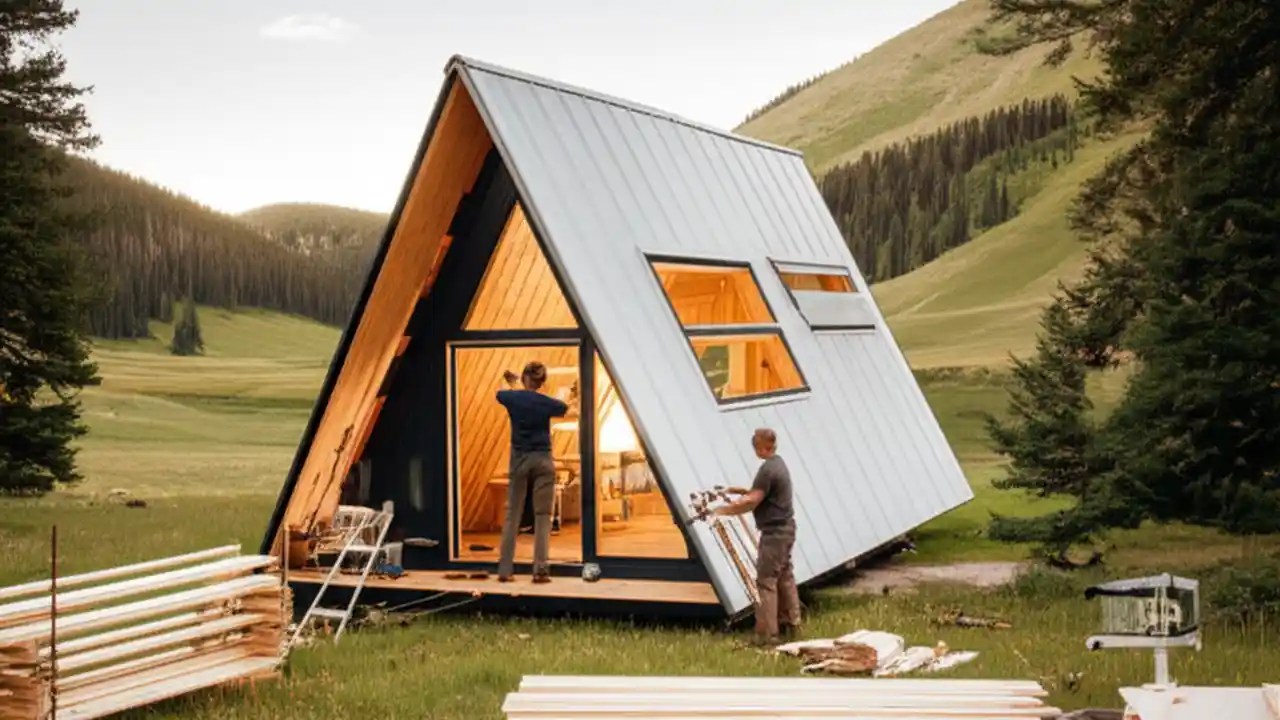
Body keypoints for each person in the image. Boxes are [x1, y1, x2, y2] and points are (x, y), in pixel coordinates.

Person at [715, 427, 801, 644]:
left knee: (766, 581)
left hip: (774, 533)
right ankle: (791, 624)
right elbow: (759, 493)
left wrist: (720, 511)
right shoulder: (778, 464)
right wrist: (733, 491)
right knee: (784, 576)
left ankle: (767, 635)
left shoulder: (767, 470)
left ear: (761, 447)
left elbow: (752, 501)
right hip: (787, 529)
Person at [495, 361, 571, 583]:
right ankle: (540, 570)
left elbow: (500, 394)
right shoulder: (546, 402)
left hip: (519, 459)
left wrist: (513, 383)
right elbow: (564, 407)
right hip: (543, 460)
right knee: (543, 516)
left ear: (525, 378)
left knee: (513, 515)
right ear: (542, 382)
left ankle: (505, 570)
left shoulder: (513, 398)